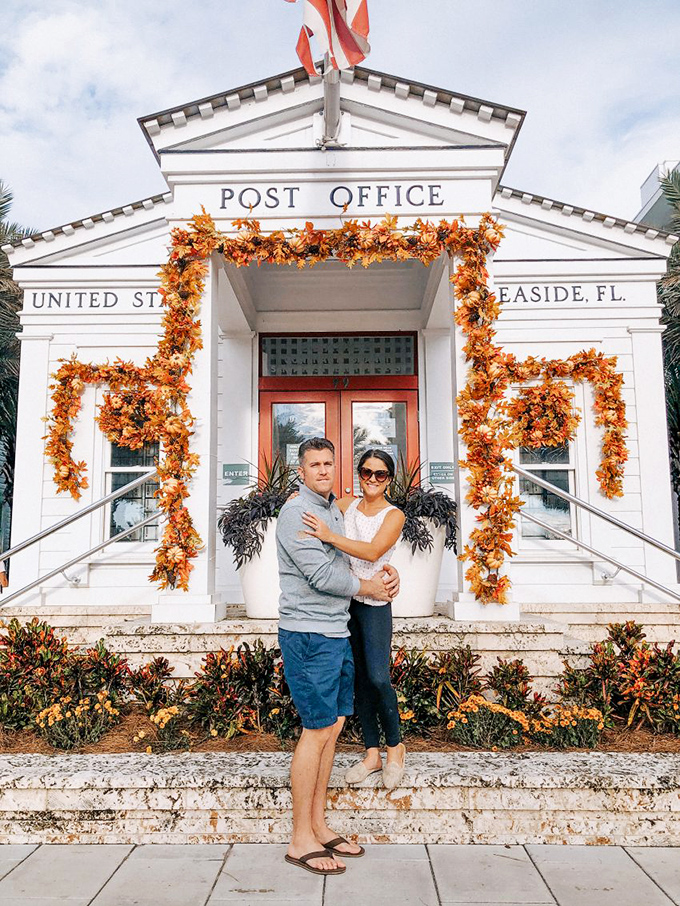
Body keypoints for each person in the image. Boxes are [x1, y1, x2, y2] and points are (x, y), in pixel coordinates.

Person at [276, 437, 400, 876]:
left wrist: (386, 571)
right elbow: (320, 572)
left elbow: (356, 552)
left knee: (333, 728)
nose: (323, 470)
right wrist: (369, 588)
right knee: (315, 731)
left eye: (329, 462)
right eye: (315, 464)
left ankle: (318, 824)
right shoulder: (296, 513)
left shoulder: (331, 508)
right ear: (301, 470)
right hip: (309, 635)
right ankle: (299, 839)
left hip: (336, 630)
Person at [301, 449, 407, 789]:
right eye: (366, 472)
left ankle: (395, 748)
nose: (372, 480)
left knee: (378, 677)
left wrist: (330, 536)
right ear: (359, 473)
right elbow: (314, 498)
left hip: (375, 602)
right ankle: (371, 753)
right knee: (358, 680)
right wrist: (295, 495)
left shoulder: (394, 515)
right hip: (345, 603)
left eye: (380, 474)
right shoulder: (344, 505)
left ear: (389, 480)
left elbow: (374, 552)